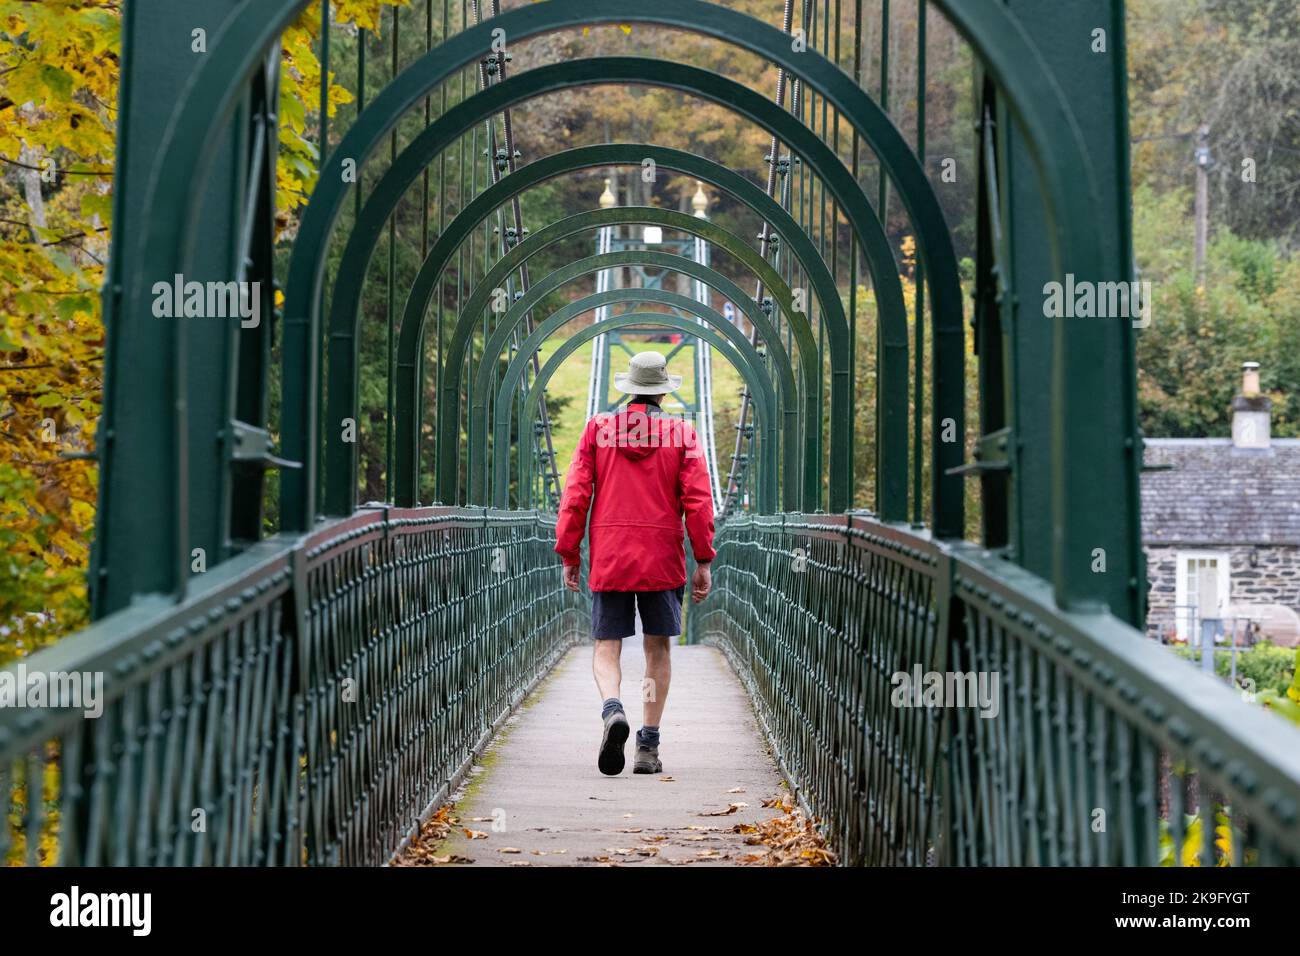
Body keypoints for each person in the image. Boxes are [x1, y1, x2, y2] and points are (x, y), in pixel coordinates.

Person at [555, 351, 716, 776]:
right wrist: (703, 558)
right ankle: (647, 745)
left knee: (607, 647)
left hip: (610, 555)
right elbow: (698, 503)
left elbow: (575, 496)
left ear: (629, 389)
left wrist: (569, 552)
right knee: (656, 648)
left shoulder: (598, 430)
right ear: (663, 391)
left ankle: (612, 710)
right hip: (661, 558)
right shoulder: (682, 434)